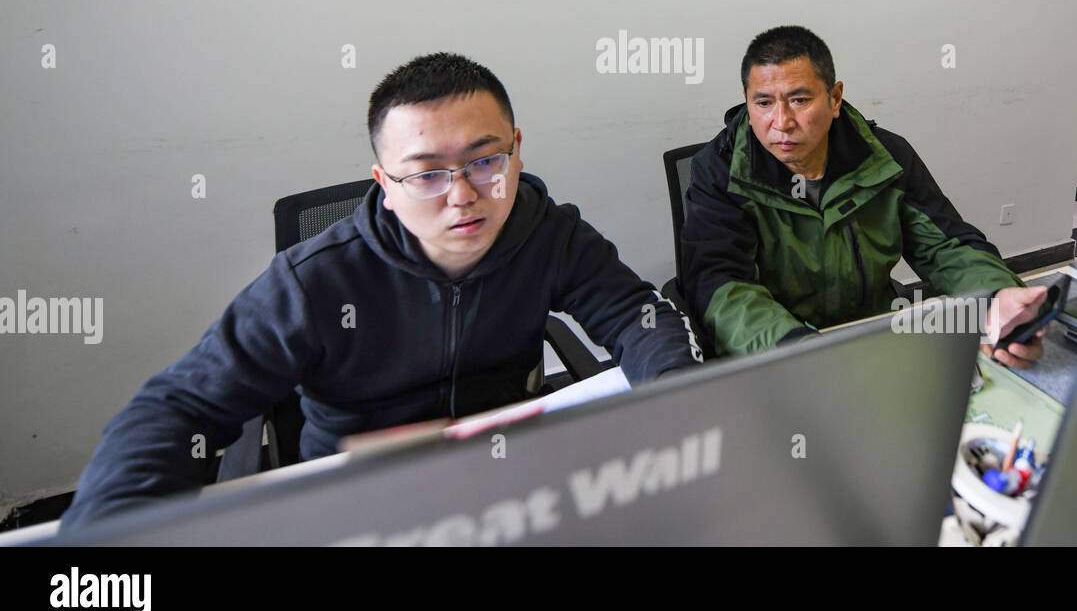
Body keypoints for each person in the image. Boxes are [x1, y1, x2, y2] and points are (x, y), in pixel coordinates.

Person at [61, 53, 702, 528]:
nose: (463, 195)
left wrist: (685, 406)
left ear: (517, 152)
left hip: (507, 484)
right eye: (425, 174)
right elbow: (180, 408)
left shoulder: (547, 234)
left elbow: (635, 316)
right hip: (361, 503)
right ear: (384, 184)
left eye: (486, 160)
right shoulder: (316, 280)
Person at [682, 26, 1048, 361]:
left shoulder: (884, 157)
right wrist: (800, 350)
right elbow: (723, 287)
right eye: (763, 103)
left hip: (873, 337)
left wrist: (995, 297)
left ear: (835, 97)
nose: (781, 122)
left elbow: (945, 244)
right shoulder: (719, 171)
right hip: (777, 355)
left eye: (799, 100)